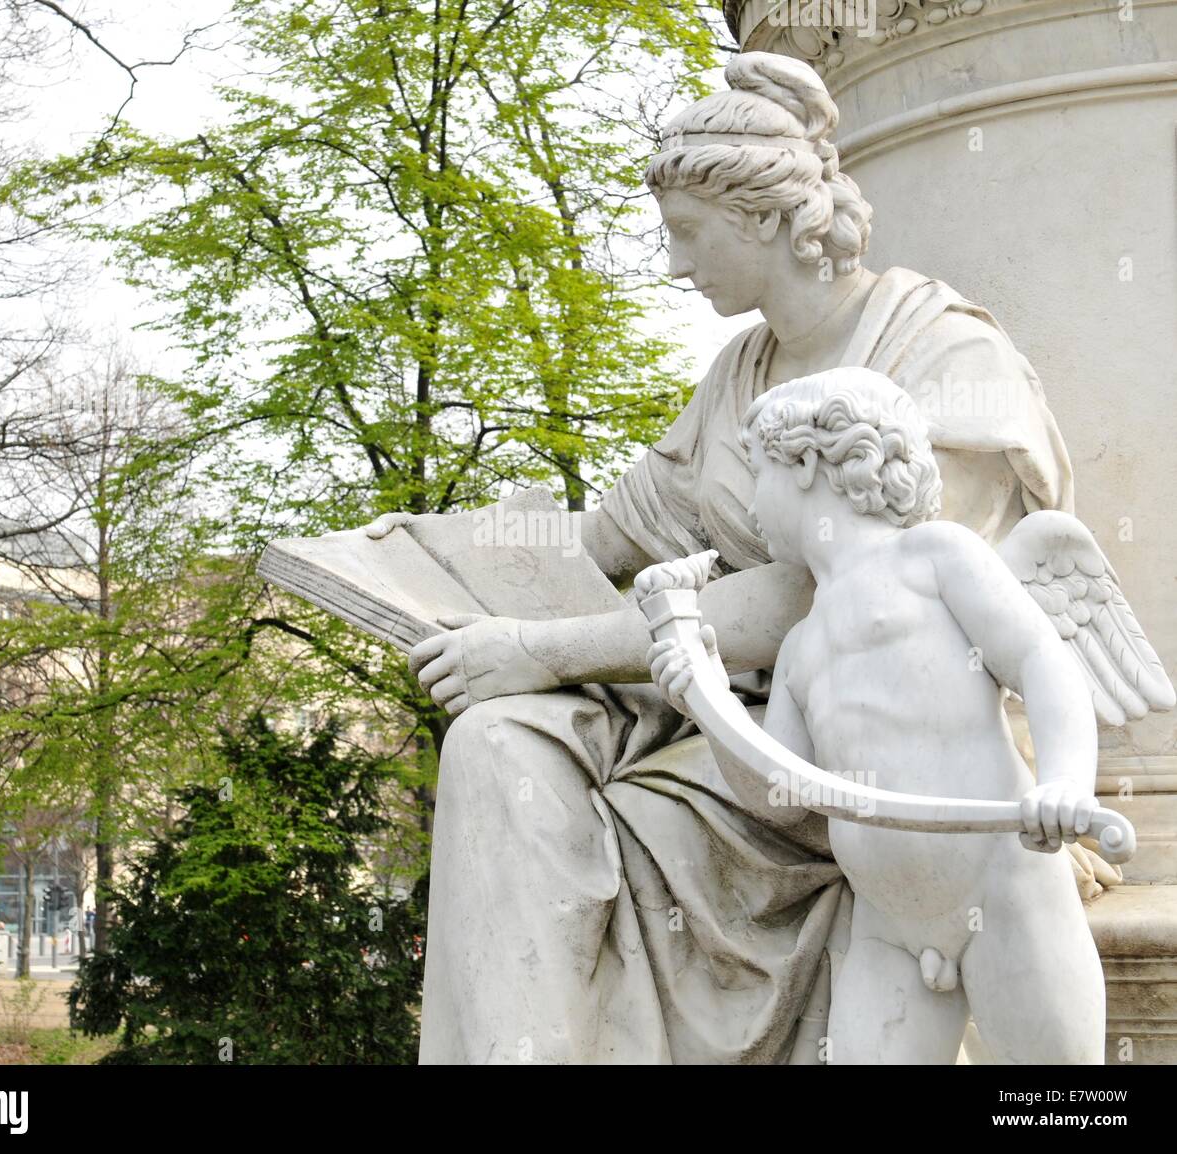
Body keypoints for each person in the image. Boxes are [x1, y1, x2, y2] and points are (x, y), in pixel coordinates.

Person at [374, 52, 1075, 1064]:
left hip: (872, 756)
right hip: (739, 729)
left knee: (585, 757)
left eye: (686, 234)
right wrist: (430, 557)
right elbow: (608, 535)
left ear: (762, 220)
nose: (671, 264)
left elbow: (824, 592)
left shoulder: (943, 355)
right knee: (494, 743)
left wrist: (545, 647)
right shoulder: (735, 374)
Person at [647, 369, 1104, 1063]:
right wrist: (705, 699)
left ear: (804, 463)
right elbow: (779, 793)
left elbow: (1044, 663)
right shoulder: (799, 647)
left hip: (1003, 891)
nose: (748, 507)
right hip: (887, 927)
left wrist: (1067, 780)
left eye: (756, 473)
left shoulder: (935, 557)